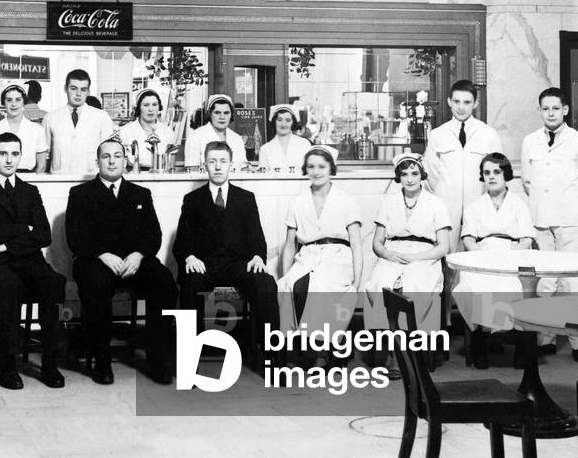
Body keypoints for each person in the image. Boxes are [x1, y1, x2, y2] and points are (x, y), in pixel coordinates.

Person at [66, 139, 177, 385]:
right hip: (95, 260)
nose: (112, 161)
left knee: (164, 282)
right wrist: (102, 254)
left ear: (125, 161)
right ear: (97, 161)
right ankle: (102, 362)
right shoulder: (80, 194)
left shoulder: (140, 193)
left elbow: (153, 234)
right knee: (96, 285)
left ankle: (157, 361)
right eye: (106, 156)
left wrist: (138, 254)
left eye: (117, 156)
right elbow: (75, 237)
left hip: (133, 262)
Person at [0, 133, 66, 389]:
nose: (9, 160)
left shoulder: (30, 191)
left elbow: (44, 234)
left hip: (26, 259)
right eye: (3, 153)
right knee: (10, 286)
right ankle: (7, 365)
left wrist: (8, 244)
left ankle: (50, 362)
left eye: (14, 154)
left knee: (53, 283)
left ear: (21, 156)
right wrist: (25, 228)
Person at [520, 86, 578, 363]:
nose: (551, 113)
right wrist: (543, 205)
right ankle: (546, 339)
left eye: (555, 108)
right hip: (541, 221)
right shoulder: (530, 141)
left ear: (565, 110)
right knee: (545, 283)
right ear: (539, 110)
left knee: (574, 283)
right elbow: (527, 181)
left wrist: (573, 207)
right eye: (546, 108)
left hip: (571, 222)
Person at [173, 141, 278, 348]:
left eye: (223, 161)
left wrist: (258, 256)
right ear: (205, 165)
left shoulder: (245, 198)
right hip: (205, 264)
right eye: (212, 161)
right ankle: (189, 354)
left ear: (231, 164)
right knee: (190, 281)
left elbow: (257, 237)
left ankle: (271, 353)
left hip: (237, 264)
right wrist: (190, 257)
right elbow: (182, 240)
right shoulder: (193, 199)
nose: (218, 166)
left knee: (265, 282)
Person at [363, 153, 450, 376]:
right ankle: (394, 352)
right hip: (393, 253)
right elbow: (377, 243)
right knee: (380, 285)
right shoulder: (388, 203)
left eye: (414, 173)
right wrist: (388, 254)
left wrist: (417, 258)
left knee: (415, 287)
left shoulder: (436, 204)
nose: (410, 179)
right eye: (404, 174)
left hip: (425, 256)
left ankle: (410, 352)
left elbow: (443, 247)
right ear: (398, 177)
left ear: (422, 175)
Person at [276, 146, 362, 366]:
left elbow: (356, 244)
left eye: (321, 166)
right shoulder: (298, 202)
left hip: (338, 256)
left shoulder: (345, 200)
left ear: (331, 168)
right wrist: (286, 275)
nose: (316, 171)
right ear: (305, 169)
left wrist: (357, 281)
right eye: (311, 166)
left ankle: (322, 353)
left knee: (321, 286)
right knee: (290, 286)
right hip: (308, 255)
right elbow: (290, 245)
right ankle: (303, 350)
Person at [452, 153, 534, 369]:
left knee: (514, 285)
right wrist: (479, 253)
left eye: (497, 172)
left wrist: (515, 253)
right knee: (474, 285)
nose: (491, 176)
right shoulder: (474, 206)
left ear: (506, 174)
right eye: (487, 172)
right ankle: (479, 340)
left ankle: (520, 343)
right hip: (482, 254)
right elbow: (468, 237)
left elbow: (527, 237)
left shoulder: (519, 205)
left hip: (512, 254)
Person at [424, 80, 502, 251]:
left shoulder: (488, 134)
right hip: (446, 207)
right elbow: (431, 173)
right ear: (449, 102)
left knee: (477, 255)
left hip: (479, 204)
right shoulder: (438, 135)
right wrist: (446, 194)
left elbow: (496, 174)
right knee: (446, 254)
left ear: (475, 103)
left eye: (467, 102)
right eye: (456, 101)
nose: (461, 107)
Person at [42, 69, 116, 174]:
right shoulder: (50, 118)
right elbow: (45, 155)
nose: (78, 94)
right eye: (73, 88)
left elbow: (108, 152)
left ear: (88, 91)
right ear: (65, 88)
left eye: (83, 89)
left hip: (91, 178)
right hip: (59, 178)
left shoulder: (101, 117)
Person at [0, 84, 48, 173]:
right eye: (9, 100)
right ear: (3, 103)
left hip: (29, 178)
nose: (14, 104)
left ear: (24, 102)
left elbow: (41, 166)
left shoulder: (37, 130)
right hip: (1, 178)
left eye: (18, 100)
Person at [183, 95, 247, 170]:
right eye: (217, 113)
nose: (222, 117)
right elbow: (192, 170)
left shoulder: (237, 139)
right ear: (210, 114)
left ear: (231, 115)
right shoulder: (195, 137)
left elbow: (244, 168)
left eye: (226, 113)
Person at [118, 88, 176, 171]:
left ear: (159, 107)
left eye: (154, 104)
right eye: (146, 105)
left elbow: (171, 165)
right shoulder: (126, 131)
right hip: (134, 174)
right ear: (138, 108)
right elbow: (121, 163)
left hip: (162, 175)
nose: (151, 109)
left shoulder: (167, 131)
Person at [258, 104, 312, 172]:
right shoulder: (265, 149)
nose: (283, 124)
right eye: (279, 120)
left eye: (288, 120)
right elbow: (263, 177)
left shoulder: (305, 144)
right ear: (274, 122)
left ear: (293, 123)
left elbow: (310, 172)